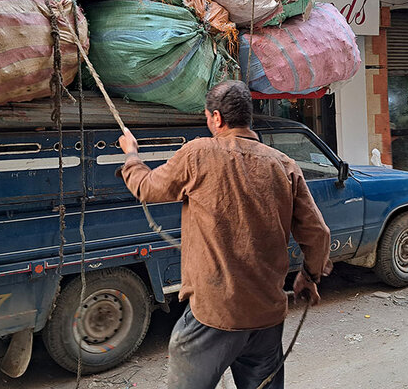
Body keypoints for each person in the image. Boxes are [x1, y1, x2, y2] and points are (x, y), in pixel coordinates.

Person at [117, 80, 332, 389]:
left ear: (216, 118)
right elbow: (318, 233)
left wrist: (131, 156)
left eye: (208, 117)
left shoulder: (198, 154)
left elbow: (147, 188)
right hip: (266, 316)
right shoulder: (284, 165)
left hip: (215, 314)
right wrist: (309, 277)